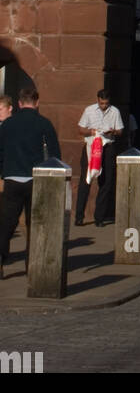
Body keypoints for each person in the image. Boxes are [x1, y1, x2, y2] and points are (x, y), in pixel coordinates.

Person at [0, 87, 62, 276]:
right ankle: (33, 264)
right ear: (36, 103)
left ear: (19, 103)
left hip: (11, 178)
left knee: (6, 223)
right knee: (35, 223)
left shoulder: (8, 125)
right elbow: (54, 155)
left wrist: (3, 172)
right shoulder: (44, 123)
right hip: (37, 180)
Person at [74, 88, 124, 227]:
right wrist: (91, 131)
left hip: (107, 146)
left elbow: (120, 131)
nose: (104, 106)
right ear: (97, 100)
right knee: (86, 180)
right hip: (91, 146)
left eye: (106, 103)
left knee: (106, 182)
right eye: (101, 103)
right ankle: (79, 216)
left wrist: (113, 131)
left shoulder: (115, 111)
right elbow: (80, 128)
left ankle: (99, 217)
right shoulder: (89, 110)